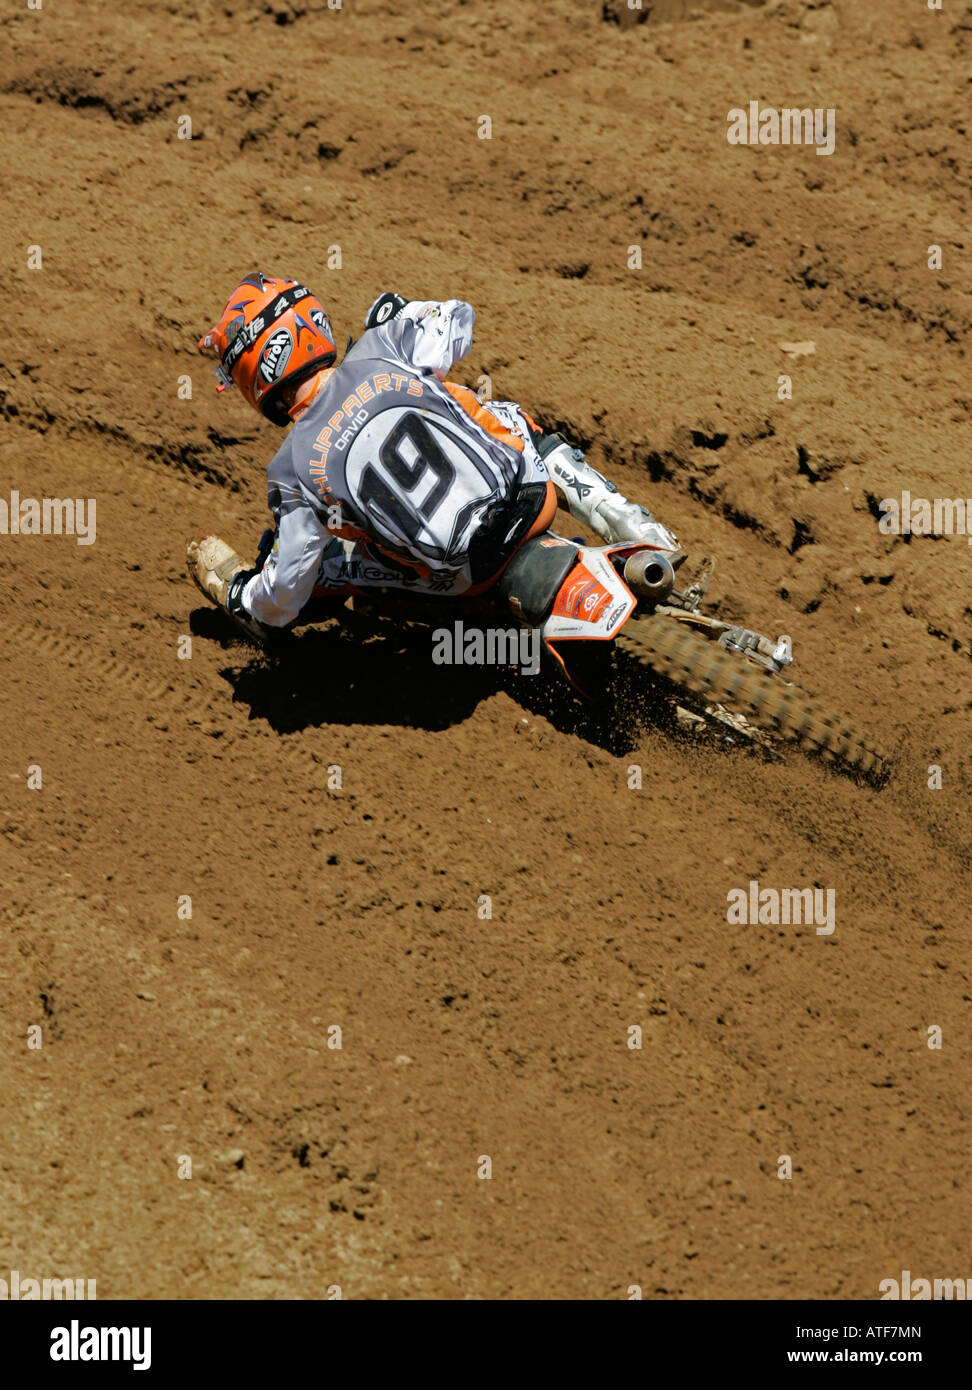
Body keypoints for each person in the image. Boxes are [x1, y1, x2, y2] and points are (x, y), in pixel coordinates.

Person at [188, 273, 682, 639]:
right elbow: (457, 320)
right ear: (309, 321)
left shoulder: (289, 471)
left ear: (255, 375)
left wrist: (245, 594)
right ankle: (636, 528)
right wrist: (400, 311)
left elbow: (286, 593)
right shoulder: (382, 347)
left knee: (319, 566)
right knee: (486, 409)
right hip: (532, 502)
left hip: (463, 575)